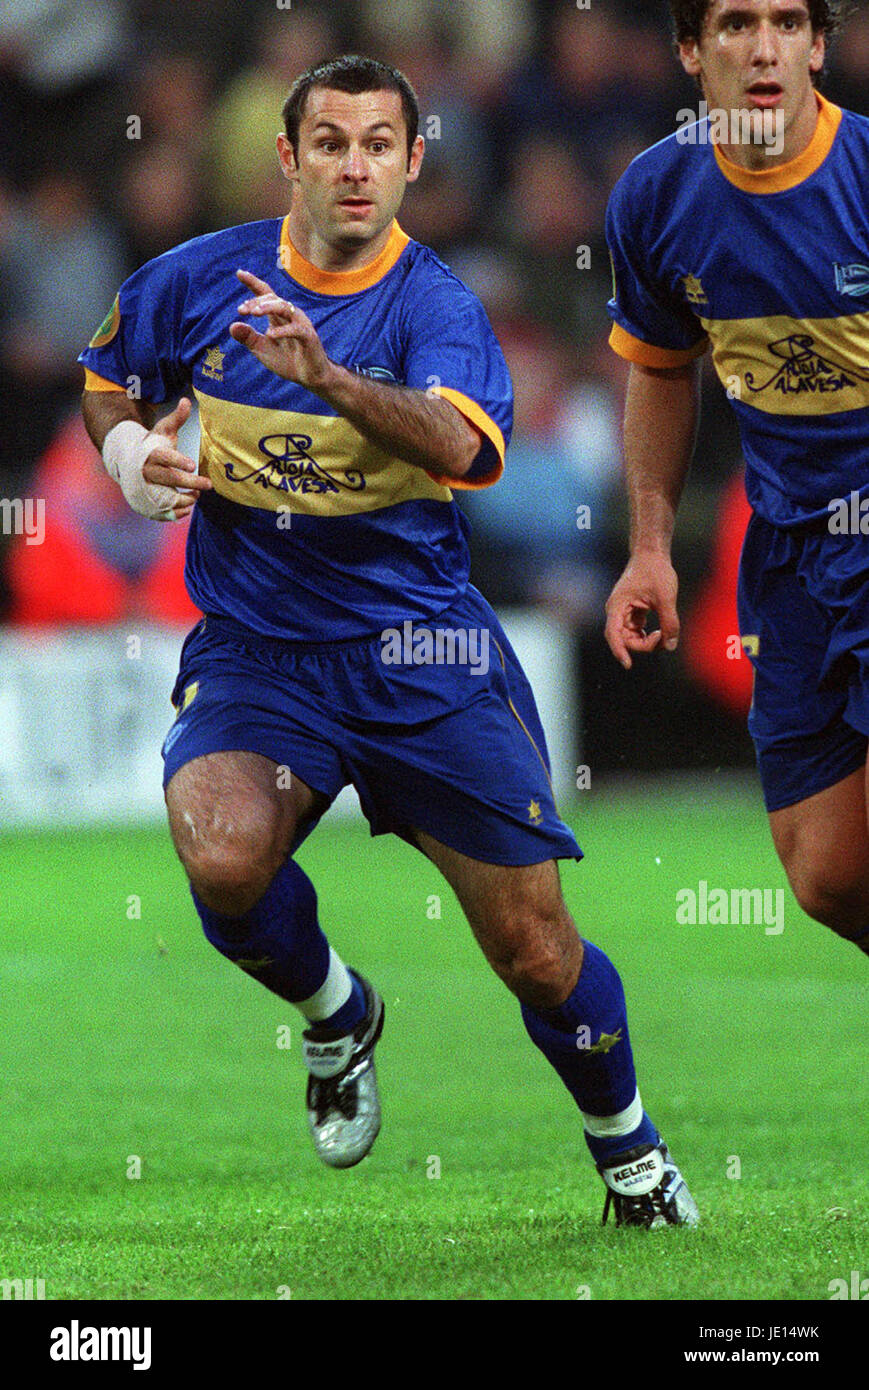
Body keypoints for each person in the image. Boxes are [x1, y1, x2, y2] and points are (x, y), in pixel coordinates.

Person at [80, 55, 698, 1228]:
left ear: (414, 163)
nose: (354, 165)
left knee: (532, 949)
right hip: (260, 651)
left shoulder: (436, 307)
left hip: (421, 657)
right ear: (288, 158)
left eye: (378, 144)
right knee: (218, 852)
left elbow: (461, 450)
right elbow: (107, 381)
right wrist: (127, 454)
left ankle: (630, 1155)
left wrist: (329, 374)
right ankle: (336, 1012)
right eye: (330, 143)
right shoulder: (196, 280)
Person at [604, 0, 869, 958]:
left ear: (818, 47)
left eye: (789, 21)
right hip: (791, 554)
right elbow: (662, 369)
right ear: (689, 50)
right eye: (734, 24)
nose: (764, 47)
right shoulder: (654, 198)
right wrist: (646, 549)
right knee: (827, 873)